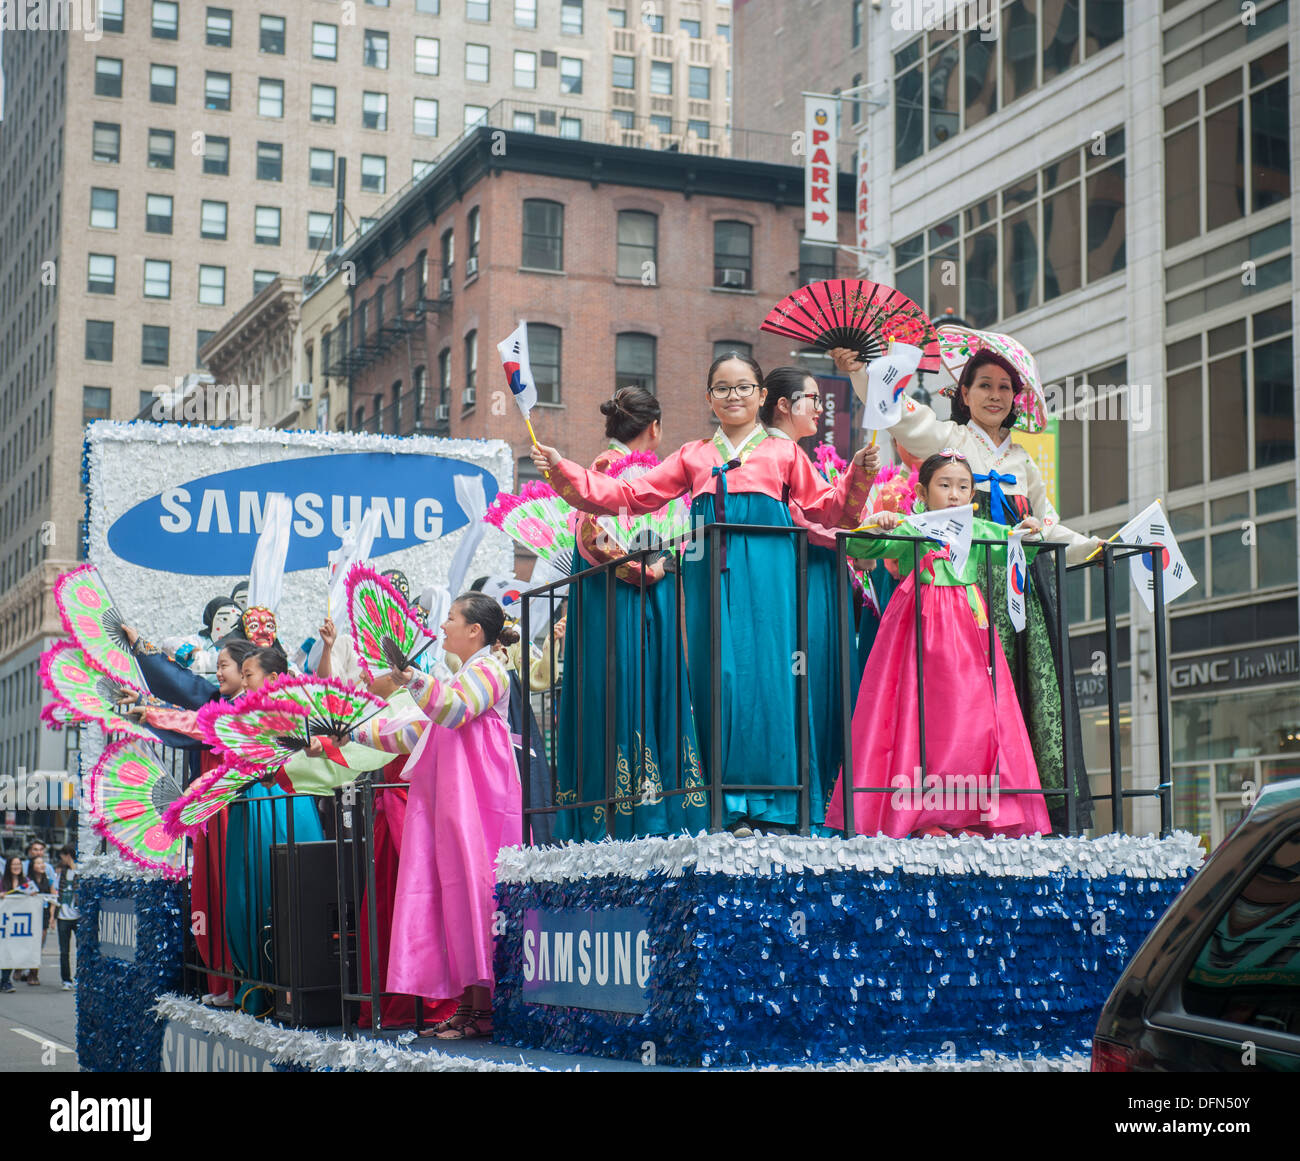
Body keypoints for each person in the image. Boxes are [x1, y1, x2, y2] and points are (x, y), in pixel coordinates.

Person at [532, 353, 878, 834]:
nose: (732, 396)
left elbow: (831, 511)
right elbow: (631, 496)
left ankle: (780, 804)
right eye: (722, 388)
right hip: (708, 578)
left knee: (775, 679)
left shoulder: (785, 455)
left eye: (742, 387)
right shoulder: (693, 455)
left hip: (774, 574)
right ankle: (725, 803)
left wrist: (858, 473)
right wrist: (561, 468)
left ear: (760, 396)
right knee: (720, 680)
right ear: (709, 398)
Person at [834, 345, 1102, 831]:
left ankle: (1018, 810)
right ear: (963, 392)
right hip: (959, 587)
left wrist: (1092, 548)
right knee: (956, 703)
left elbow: (1045, 526)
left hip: (1017, 588)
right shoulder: (948, 437)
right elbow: (894, 410)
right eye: (984, 385)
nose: (995, 395)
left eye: (1005, 387)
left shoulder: (1026, 461)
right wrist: (858, 372)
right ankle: (951, 808)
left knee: (1021, 700)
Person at [825, 451, 1051, 840]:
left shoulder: (980, 529)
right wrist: (878, 525)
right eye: (944, 485)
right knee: (921, 718)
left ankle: (973, 815)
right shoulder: (910, 528)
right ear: (922, 491)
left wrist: (1030, 531)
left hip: (969, 627)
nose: (954, 494)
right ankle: (922, 814)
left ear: (973, 496)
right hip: (918, 628)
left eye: (963, 487)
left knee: (975, 719)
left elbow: (1018, 547)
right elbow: (860, 549)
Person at [353, 593, 522, 1040]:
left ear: (475, 631)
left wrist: (414, 679)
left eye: (451, 619)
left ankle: (482, 1013)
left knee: (477, 898)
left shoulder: (491, 670)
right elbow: (410, 730)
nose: (443, 627)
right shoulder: (461, 674)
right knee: (455, 903)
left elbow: (455, 709)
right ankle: (467, 1008)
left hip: (479, 802)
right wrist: (342, 734)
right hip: (453, 801)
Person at [554, 385, 707, 842]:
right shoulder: (623, 472)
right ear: (654, 427)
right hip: (628, 602)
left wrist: (657, 565)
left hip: (611, 602)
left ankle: (606, 811)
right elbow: (594, 535)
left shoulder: (596, 472)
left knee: (612, 691)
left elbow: (590, 534)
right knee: (636, 686)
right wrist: (650, 571)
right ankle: (645, 812)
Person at [760, 368, 859, 831]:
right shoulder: (779, 451)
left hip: (804, 571)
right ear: (783, 403)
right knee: (810, 678)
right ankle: (812, 797)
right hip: (806, 572)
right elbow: (821, 515)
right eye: (812, 399)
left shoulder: (786, 452)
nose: (820, 408)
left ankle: (808, 794)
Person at [225, 644, 324, 1015]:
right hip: (251, 801)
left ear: (275, 678)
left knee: (277, 885)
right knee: (246, 890)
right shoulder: (243, 712)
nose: (244, 681)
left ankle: (284, 982)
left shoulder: (290, 712)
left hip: (278, 799)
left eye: (248, 674)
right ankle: (258, 980)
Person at [1, 856, 36, 993]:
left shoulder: (26, 881)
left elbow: (34, 895)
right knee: (3, 951)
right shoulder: (3, 882)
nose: (17, 867)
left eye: (19, 865)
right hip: (5, 921)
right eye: (14, 864)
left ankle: (5, 980)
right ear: (9, 866)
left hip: (19, 924)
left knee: (10, 952)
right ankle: (4, 980)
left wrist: (33, 896)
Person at [51, 847, 79, 992]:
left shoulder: (80, 871)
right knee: (64, 951)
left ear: (67, 856)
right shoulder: (62, 872)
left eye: (63, 857)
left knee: (80, 949)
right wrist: (53, 916)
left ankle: (79, 977)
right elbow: (58, 895)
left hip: (78, 916)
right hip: (63, 916)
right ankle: (66, 980)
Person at [25, 855, 52, 986]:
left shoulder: (48, 880)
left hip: (44, 914)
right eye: (38, 863)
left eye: (43, 863)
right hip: (30, 915)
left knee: (40, 944)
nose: (42, 865)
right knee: (30, 944)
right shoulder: (27, 880)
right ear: (32, 866)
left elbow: (53, 897)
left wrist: (52, 916)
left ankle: (34, 972)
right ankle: (26, 970)